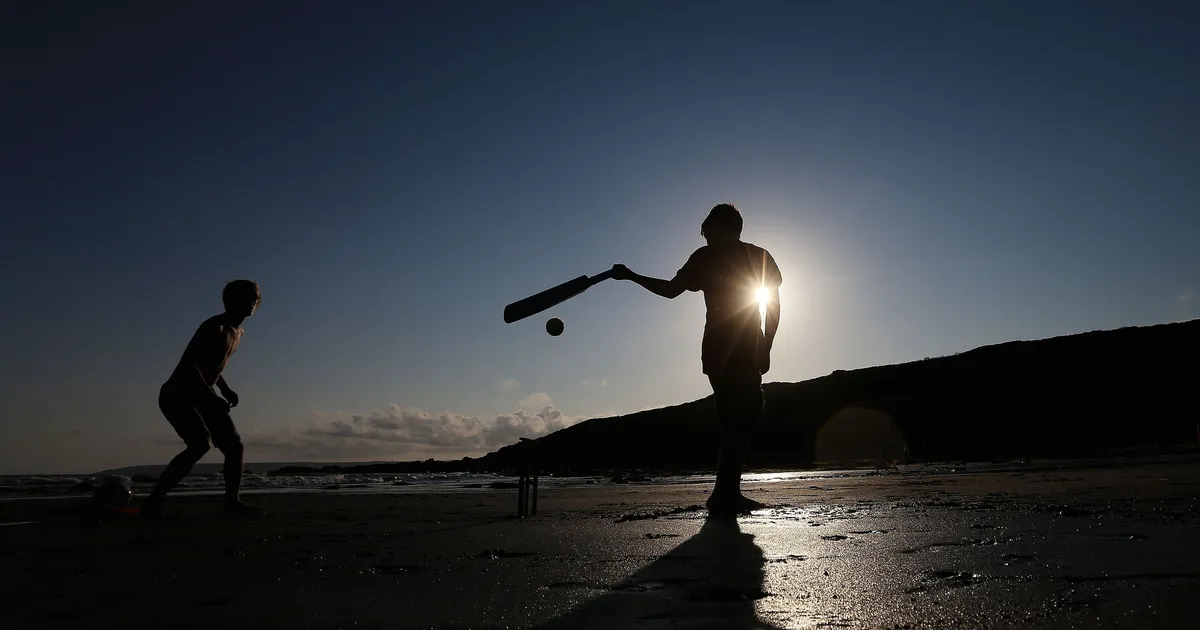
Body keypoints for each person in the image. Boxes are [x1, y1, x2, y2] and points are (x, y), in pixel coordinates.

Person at [611, 203, 782, 517]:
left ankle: (726, 493)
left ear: (723, 228)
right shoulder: (730, 256)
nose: (705, 240)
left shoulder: (724, 256)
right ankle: (725, 495)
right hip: (732, 349)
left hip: (730, 349)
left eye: (709, 233)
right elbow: (771, 305)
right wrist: (632, 276)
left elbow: (770, 302)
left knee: (738, 419)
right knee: (739, 418)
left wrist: (765, 346)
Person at [141, 279, 263, 519]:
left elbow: (212, 367)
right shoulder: (213, 326)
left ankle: (232, 503)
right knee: (199, 444)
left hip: (203, 396)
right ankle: (152, 502)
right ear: (230, 300)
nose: (251, 301)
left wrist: (225, 389)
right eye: (245, 296)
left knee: (234, 447)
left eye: (254, 297)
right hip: (177, 394)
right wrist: (210, 395)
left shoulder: (238, 332)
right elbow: (190, 365)